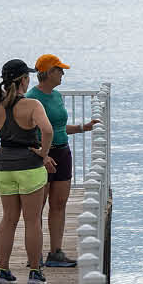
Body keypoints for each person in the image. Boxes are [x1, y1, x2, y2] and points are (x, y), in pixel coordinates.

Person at [0, 59, 56, 284]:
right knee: (32, 220)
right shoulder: (33, 105)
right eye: (28, 77)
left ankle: (3, 271)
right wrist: (43, 154)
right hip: (29, 168)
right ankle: (35, 271)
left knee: (8, 219)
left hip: (4, 167)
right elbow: (47, 130)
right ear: (24, 80)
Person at [26, 54, 101, 268]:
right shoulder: (32, 98)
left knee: (59, 204)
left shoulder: (57, 96)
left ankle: (56, 252)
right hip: (42, 155)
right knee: (38, 206)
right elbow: (29, 133)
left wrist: (81, 128)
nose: (63, 74)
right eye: (59, 70)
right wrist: (43, 155)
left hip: (62, 152)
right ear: (49, 73)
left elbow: (57, 128)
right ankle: (35, 253)